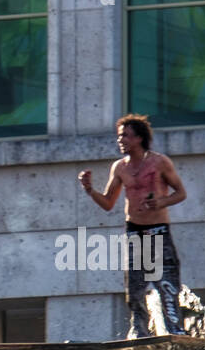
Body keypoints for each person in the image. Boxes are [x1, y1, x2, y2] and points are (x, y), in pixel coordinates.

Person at [79, 114, 187, 337]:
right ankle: (140, 331)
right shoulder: (119, 167)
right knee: (135, 289)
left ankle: (176, 331)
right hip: (134, 232)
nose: (120, 141)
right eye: (119, 137)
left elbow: (181, 193)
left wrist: (160, 202)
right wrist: (90, 190)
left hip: (158, 231)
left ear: (139, 138)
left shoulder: (159, 162)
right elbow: (108, 203)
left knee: (166, 285)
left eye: (125, 136)